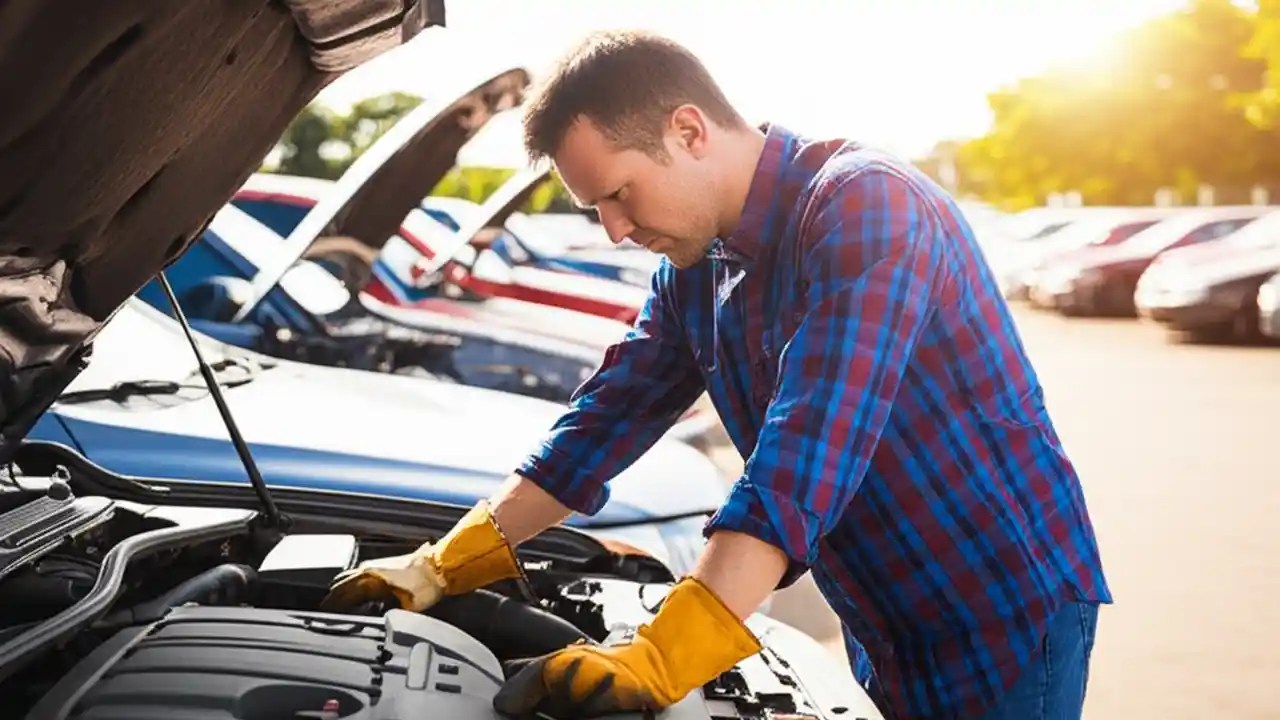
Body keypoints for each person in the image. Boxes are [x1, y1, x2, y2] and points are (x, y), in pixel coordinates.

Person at [321, 29, 1113, 720]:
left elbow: (807, 447)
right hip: (881, 610)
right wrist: (444, 563)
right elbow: (603, 420)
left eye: (619, 194)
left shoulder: (867, 206)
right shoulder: (696, 269)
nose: (615, 230)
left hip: (996, 608)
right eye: (597, 210)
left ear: (689, 130)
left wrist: (667, 652)